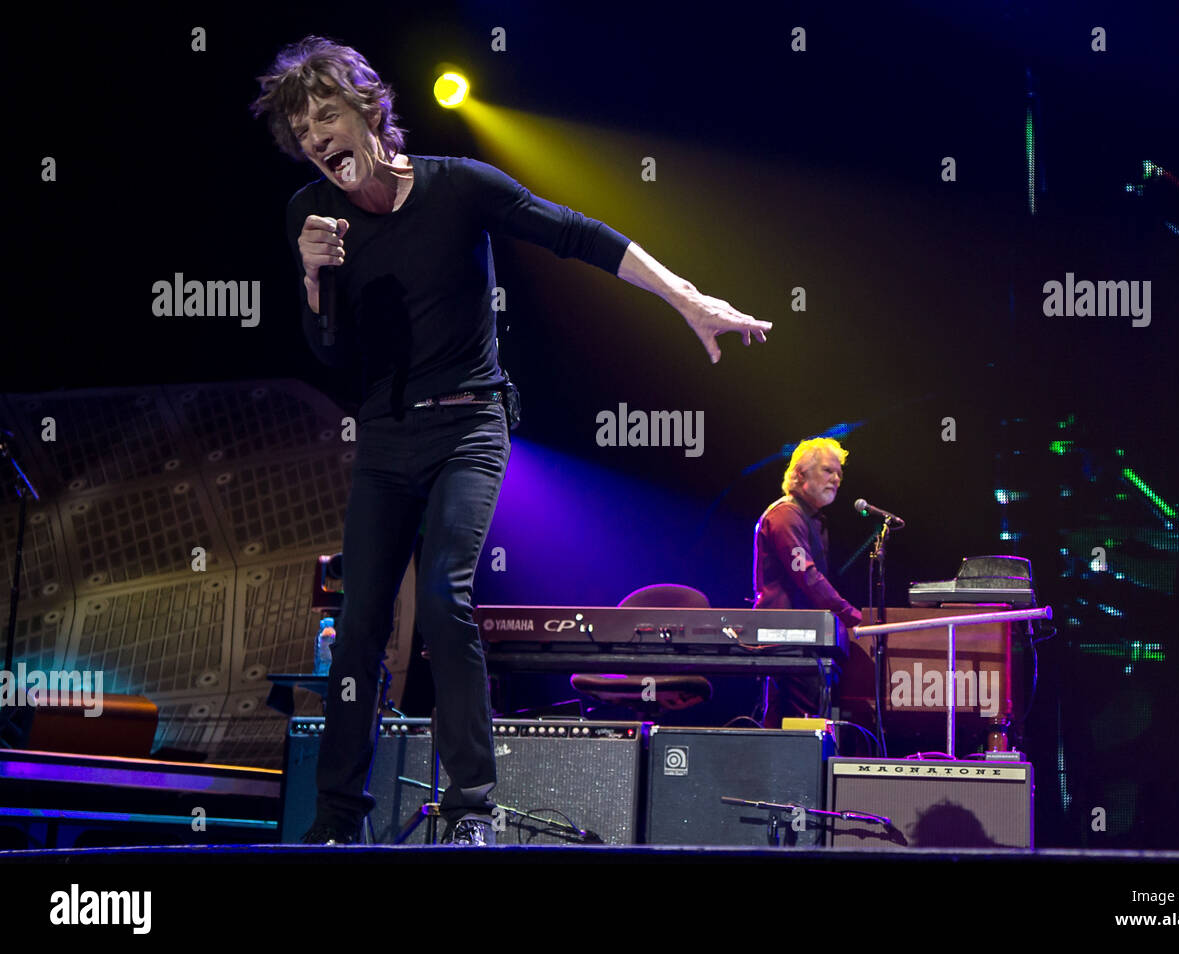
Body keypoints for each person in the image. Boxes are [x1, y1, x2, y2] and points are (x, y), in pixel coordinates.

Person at [251, 36, 771, 845]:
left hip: (468, 420)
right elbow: (329, 352)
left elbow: (576, 232)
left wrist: (688, 298)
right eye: (301, 130)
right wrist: (313, 279)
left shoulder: (460, 187)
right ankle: (335, 819)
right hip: (387, 438)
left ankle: (469, 811)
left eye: (326, 115)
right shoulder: (309, 219)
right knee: (359, 625)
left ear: (367, 107)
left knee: (444, 599)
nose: (317, 138)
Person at [752, 437, 862, 727]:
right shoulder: (786, 515)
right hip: (785, 636)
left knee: (800, 717)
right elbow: (808, 576)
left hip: (801, 635)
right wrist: (848, 615)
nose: (836, 479)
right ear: (801, 474)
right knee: (795, 717)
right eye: (828, 471)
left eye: (839, 473)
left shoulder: (811, 518)